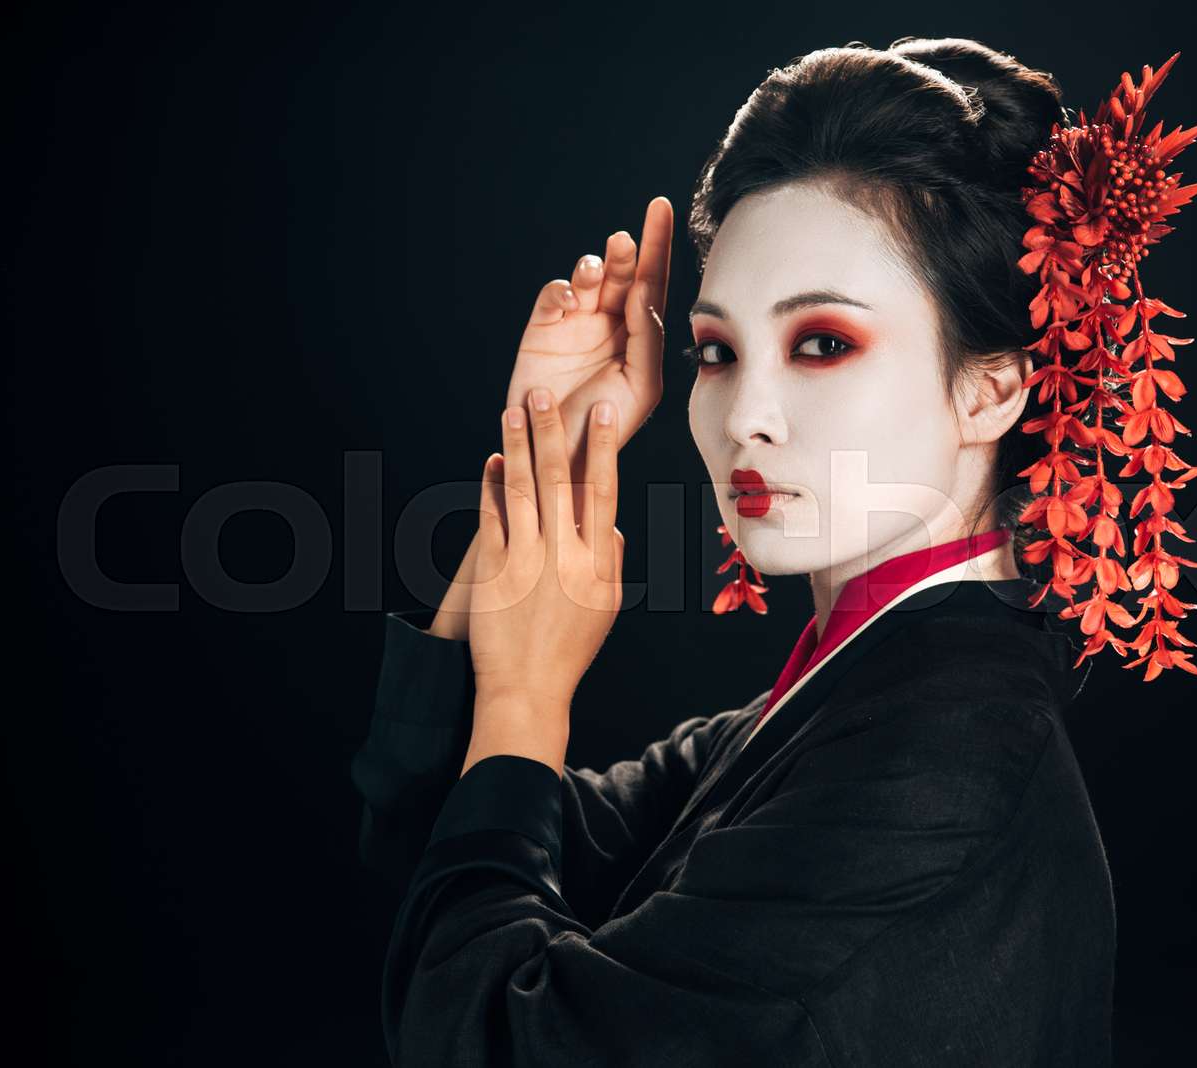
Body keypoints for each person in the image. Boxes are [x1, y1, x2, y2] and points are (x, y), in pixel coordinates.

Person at [352, 37, 1115, 1066]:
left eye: (821, 343)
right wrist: (549, 452)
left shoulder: (940, 756)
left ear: (992, 387)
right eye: (717, 352)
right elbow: (443, 850)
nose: (743, 415)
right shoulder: (838, 707)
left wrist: (529, 698)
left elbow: (497, 1039)